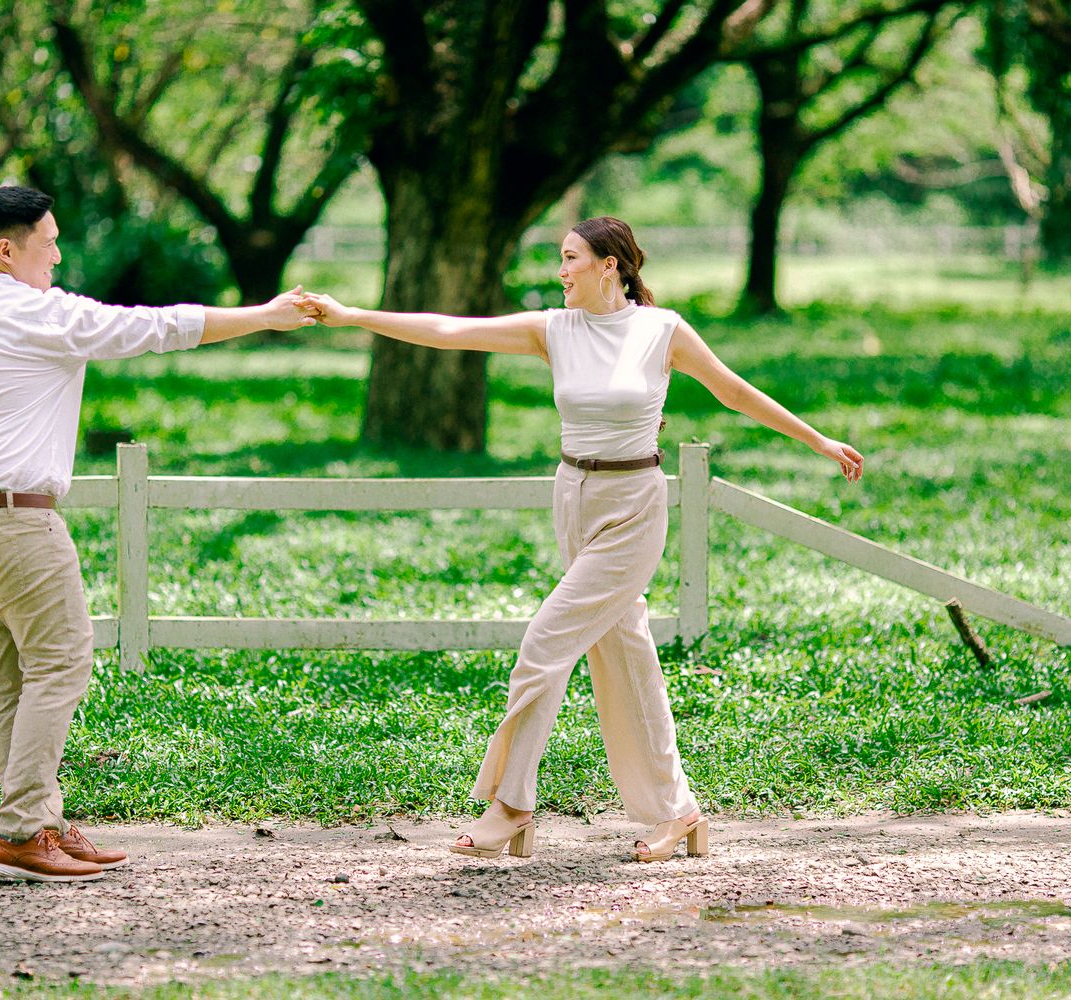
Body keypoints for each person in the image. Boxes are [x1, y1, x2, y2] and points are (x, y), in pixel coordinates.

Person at [297, 217, 862, 862]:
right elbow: (450, 331)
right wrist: (350, 316)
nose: (560, 270)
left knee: (545, 641)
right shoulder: (552, 330)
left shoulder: (661, 331)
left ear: (609, 266)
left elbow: (732, 391)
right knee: (626, 656)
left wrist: (818, 440)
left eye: (570, 258)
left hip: (633, 505)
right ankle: (679, 813)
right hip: (573, 498)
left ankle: (509, 805)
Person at [0, 185, 316, 882]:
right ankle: (20, 830)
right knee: (62, 663)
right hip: (17, 520)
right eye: (47, 243)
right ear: (5, 250)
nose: (56, 256)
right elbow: (156, 327)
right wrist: (264, 315)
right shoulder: (39, 314)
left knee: (8, 681)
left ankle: (40, 819)